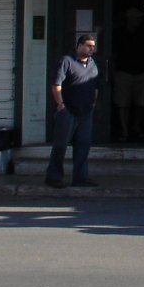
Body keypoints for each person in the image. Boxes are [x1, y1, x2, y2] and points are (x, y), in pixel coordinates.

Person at [45, 34, 101, 189]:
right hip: (68, 109)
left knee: (83, 144)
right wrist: (60, 103)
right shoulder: (66, 61)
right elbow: (56, 84)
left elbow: (95, 85)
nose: (91, 49)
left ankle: (80, 178)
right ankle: (54, 176)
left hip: (86, 111)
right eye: (88, 45)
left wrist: (94, 103)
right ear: (79, 45)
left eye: (93, 46)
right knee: (60, 145)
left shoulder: (92, 64)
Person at [112, 7, 144, 141]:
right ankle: (124, 131)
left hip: (141, 72)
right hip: (123, 72)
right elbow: (113, 54)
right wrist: (114, 71)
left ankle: (136, 127)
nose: (139, 20)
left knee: (140, 103)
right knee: (124, 103)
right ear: (130, 19)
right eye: (137, 18)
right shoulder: (119, 33)